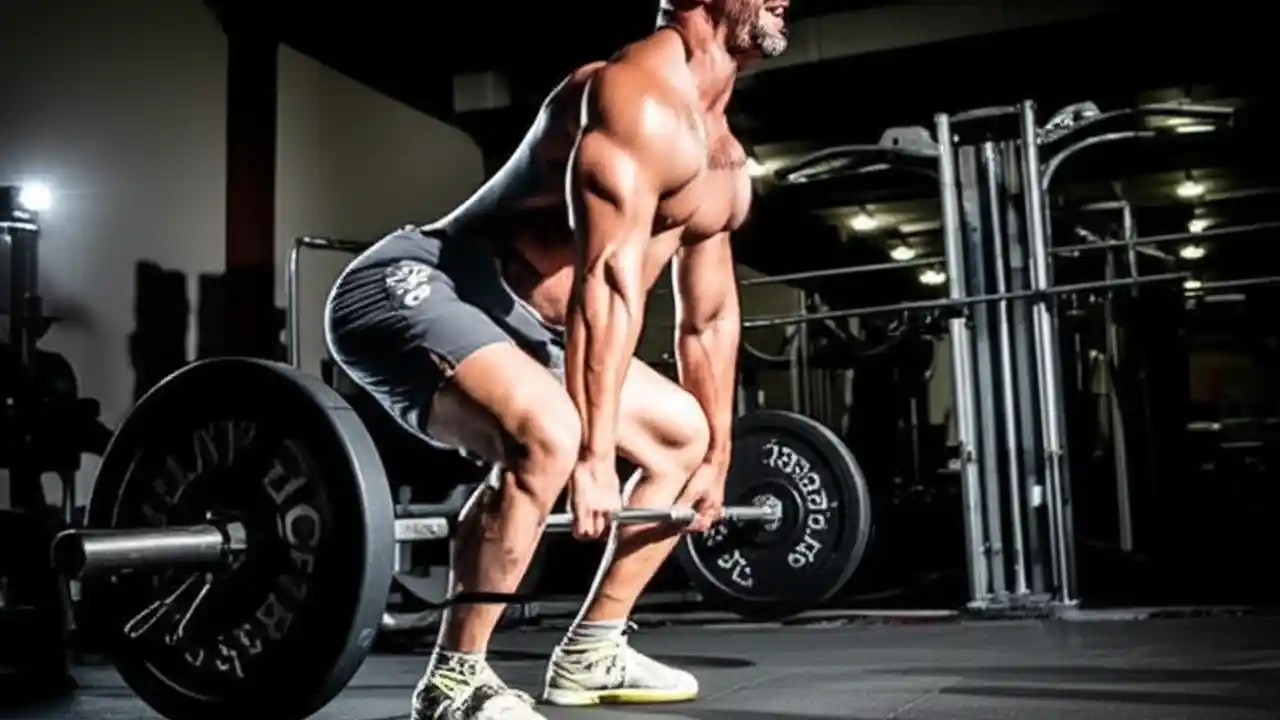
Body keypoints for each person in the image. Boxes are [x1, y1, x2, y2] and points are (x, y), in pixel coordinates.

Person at [323, 1, 790, 718]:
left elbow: (711, 318)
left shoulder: (724, 157)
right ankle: (455, 678)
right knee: (552, 434)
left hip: (533, 332)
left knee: (683, 438)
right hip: (423, 286)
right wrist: (595, 453)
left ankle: (591, 648)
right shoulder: (631, 94)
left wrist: (721, 456)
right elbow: (606, 281)